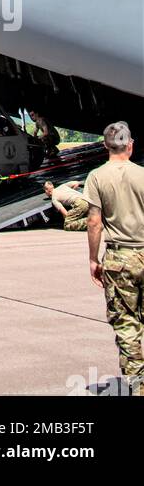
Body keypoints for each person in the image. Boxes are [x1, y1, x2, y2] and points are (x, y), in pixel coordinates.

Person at [83, 121, 143, 396]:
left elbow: (94, 222)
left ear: (105, 146)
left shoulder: (97, 177)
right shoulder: (142, 174)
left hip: (120, 258)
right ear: (130, 145)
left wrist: (94, 259)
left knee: (127, 324)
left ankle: (137, 388)